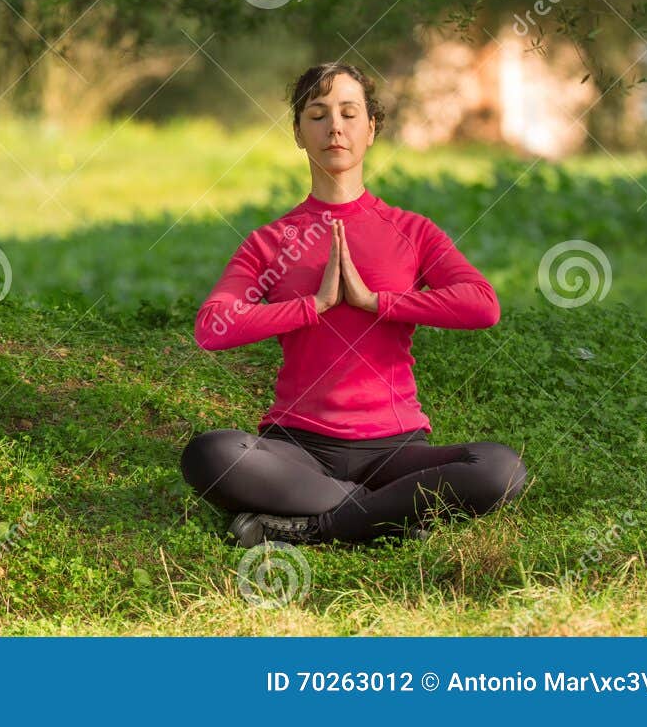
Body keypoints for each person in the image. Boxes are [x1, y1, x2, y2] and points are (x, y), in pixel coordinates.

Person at [180, 61, 529, 548]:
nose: (334, 127)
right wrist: (312, 305)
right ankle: (384, 511)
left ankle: (318, 525)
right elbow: (213, 328)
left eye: (348, 112)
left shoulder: (410, 230)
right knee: (211, 454)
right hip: (298, 447)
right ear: (299, 133)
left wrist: (377, 301)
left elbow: (482, 305)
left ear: (371, 128)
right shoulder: (271, 241)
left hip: (396, 448)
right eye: (317, 114)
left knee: (499, 469)